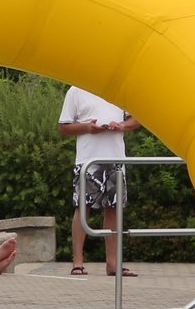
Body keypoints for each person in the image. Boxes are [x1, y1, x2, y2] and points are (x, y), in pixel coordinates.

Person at [58, 86, 139, 276]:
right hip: (88, 160)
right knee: (82, 207)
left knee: (114, 208)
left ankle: (112, 264)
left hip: (116, 160)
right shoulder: (76, 90)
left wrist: (122, 126)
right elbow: (63, 126)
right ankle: (77, 262)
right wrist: (87, 127)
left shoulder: (119, 88)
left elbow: (137, 119)